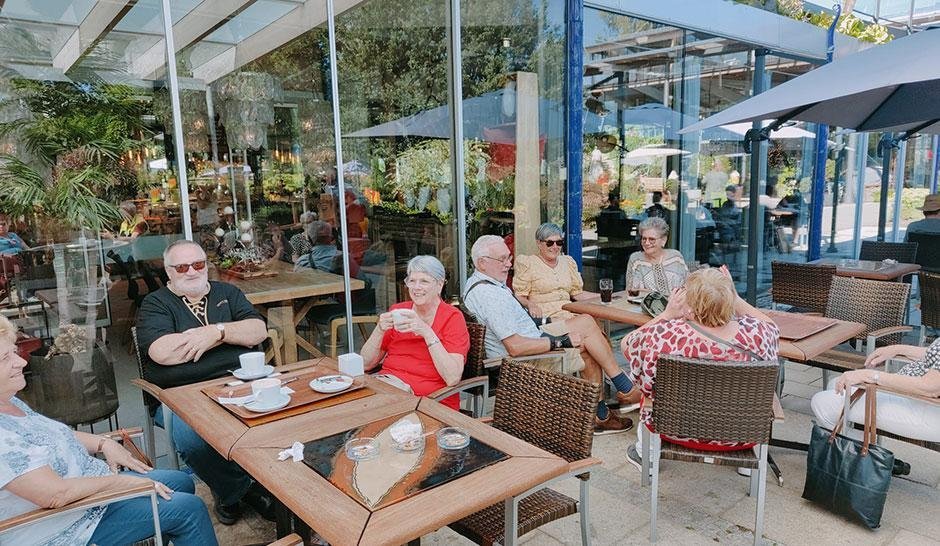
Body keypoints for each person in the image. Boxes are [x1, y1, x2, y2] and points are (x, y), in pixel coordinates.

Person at [0, 314, 218, 545]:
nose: (21, 362)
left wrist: (104, 443)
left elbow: (53, 437)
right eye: (5, 358)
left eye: (14, 352)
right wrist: (124, 483)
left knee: (180, 482)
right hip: (63, 524)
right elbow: (55, 495)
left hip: (87, 497)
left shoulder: (8, 401)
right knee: (189, 510)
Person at [136, 239, 273, 525]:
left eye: (198, 264)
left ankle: (270, 483)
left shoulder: (228, 293)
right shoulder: (155, 303)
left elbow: (257, 330)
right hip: (181, 396)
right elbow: (162, 352)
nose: (192, 272)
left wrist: (216, 333)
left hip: (240, 382)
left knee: (282, 415)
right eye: (182, 267)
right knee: (192, 439)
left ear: (206, 266)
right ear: (169, 271)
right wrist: (232, 337)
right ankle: (239, 492)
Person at [464, 235, 637, 435]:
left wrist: (549, 322)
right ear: (482, 263)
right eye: (502, 259)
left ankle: (614, 396)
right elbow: (516, 347)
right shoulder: (490, 296)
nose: (508, 264)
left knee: (586, 321)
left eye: (508, 258)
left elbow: (515, 322)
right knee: (587, 348)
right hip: (523, 361)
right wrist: (561, 341)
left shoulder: (478, 283)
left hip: (532, 336)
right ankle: (608, 405)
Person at [621, 267, 780, 470]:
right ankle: (747, 466)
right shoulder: (757, 336)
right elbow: (771, 326)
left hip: (674, 430)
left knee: (650, 393)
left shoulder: (664, 336)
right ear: (729, 299)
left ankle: (647, 457)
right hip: (740, 436)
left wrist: (667, 314)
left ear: (691, 304)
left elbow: (627, 343)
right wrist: (736, 298)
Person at [811, 338, 940, 476]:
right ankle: (870, 457)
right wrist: (897, 349)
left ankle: (870, 460)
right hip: (914, 399)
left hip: (924, 408)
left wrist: (872, 376)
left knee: (821, 403)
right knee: (836, 384)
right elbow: (934, 355)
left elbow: (930, 388)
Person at [360, 256, 469, 409]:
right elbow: (365, 364)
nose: (416, 287)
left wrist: (426, 332)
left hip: (429, 402)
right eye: (412, 281)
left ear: (439, 285)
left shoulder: (452, 318)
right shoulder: (398, 311)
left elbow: (452, 378)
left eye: (424, 281)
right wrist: (379, 330)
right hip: (388, 388)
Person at [513, 223, 597, 322]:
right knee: (587, 324)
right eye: (550, 243)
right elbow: (519, 296)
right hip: (546, 318)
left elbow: (577, 294)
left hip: (569, 313)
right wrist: (530, 305)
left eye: (559, 242)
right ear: (539, 243)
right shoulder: (528, 263)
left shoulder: (568, 262)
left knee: (593, 322)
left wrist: (604, 296)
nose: (555, 247)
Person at [625, 217, 688, 294]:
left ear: (663, 240)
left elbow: (687, 286)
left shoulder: (676, 257)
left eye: (652, 239)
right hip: (645, 305)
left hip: (676, 304)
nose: (647, 243)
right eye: (644, 239)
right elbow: (632, 290)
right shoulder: (636, 260)